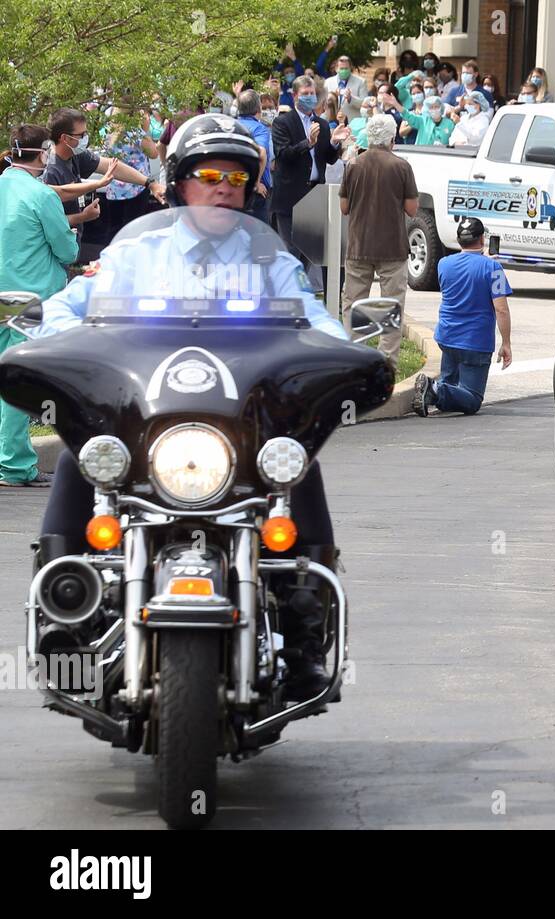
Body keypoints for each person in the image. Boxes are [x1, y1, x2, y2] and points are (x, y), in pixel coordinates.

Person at [30, 113, 351, 700]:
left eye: (236, 176)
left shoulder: (268, 263)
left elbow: (314, 316)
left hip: (238, 426)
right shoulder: (136, 255)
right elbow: (70, 305)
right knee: (84, 453)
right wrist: (49, 343)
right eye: (208, 174)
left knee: (296, 458)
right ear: (180, 182)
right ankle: (64, 607)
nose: (224, 186)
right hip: (145, 419)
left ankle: (306, 624)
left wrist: (345, 351)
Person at [0, 126, 79, 489]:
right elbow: (68, 251)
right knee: (19, 379)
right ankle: (15, 466)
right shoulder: (41, 194)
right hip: (28, 298)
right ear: (43, 153)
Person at [339, 116, 418, 371]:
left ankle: (353, 358)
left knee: (353, 303)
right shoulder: (401, 166)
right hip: (392, 248)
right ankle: (386, 363)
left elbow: (344, 207)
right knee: (391, 304)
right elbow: (412, 209)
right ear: (392, 139)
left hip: (359, 246)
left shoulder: (353, 165)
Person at [412, 217, 512, 417]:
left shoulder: (444, 264)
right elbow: (501, 309)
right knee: (472, 399)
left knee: (449, 390)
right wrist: (506, 343)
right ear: (482, 239)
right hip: (475, 343)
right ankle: (434, 389)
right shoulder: (493, 269)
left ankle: (435, 390)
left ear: (459, 241)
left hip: (447, 337)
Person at [44, 107, 165, 243]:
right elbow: (47, 223)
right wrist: (82, 216)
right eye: (81, 135)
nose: (86, 139)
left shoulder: (76, 155)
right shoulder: (50, 170)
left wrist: (150, 183)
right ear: (65, 138)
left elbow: (112, 166)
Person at [269, 76, 351, 266]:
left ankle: (302, 291)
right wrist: (308, 143)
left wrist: (334, 142)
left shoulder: (322, 124)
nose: (310, 97)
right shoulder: (283, 122)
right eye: (305, 94)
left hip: (314, 195)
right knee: (291, 252)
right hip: (290, 197)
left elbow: (329, 159)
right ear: (296, 95)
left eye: (312, 93)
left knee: (309, 253)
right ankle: (289, 293)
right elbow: (283, 155)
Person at [234, 89, 273, 224]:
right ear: (258, 108)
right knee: (259, 239)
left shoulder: (232, 125)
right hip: (255, 195)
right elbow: (261, 153)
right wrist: (255, 182)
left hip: (234, 187)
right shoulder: (260, 128)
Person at [325, 55, 367, 122]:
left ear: (351, 68)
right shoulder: (328, 82)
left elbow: (364, 103)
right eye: (341, 68)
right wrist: (333, 97)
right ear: (336, 69)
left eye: (346, 68)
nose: (344, 71)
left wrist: (351, 98)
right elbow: (323, 103)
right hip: (332, 122)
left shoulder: (361, 82)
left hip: (352, 122)